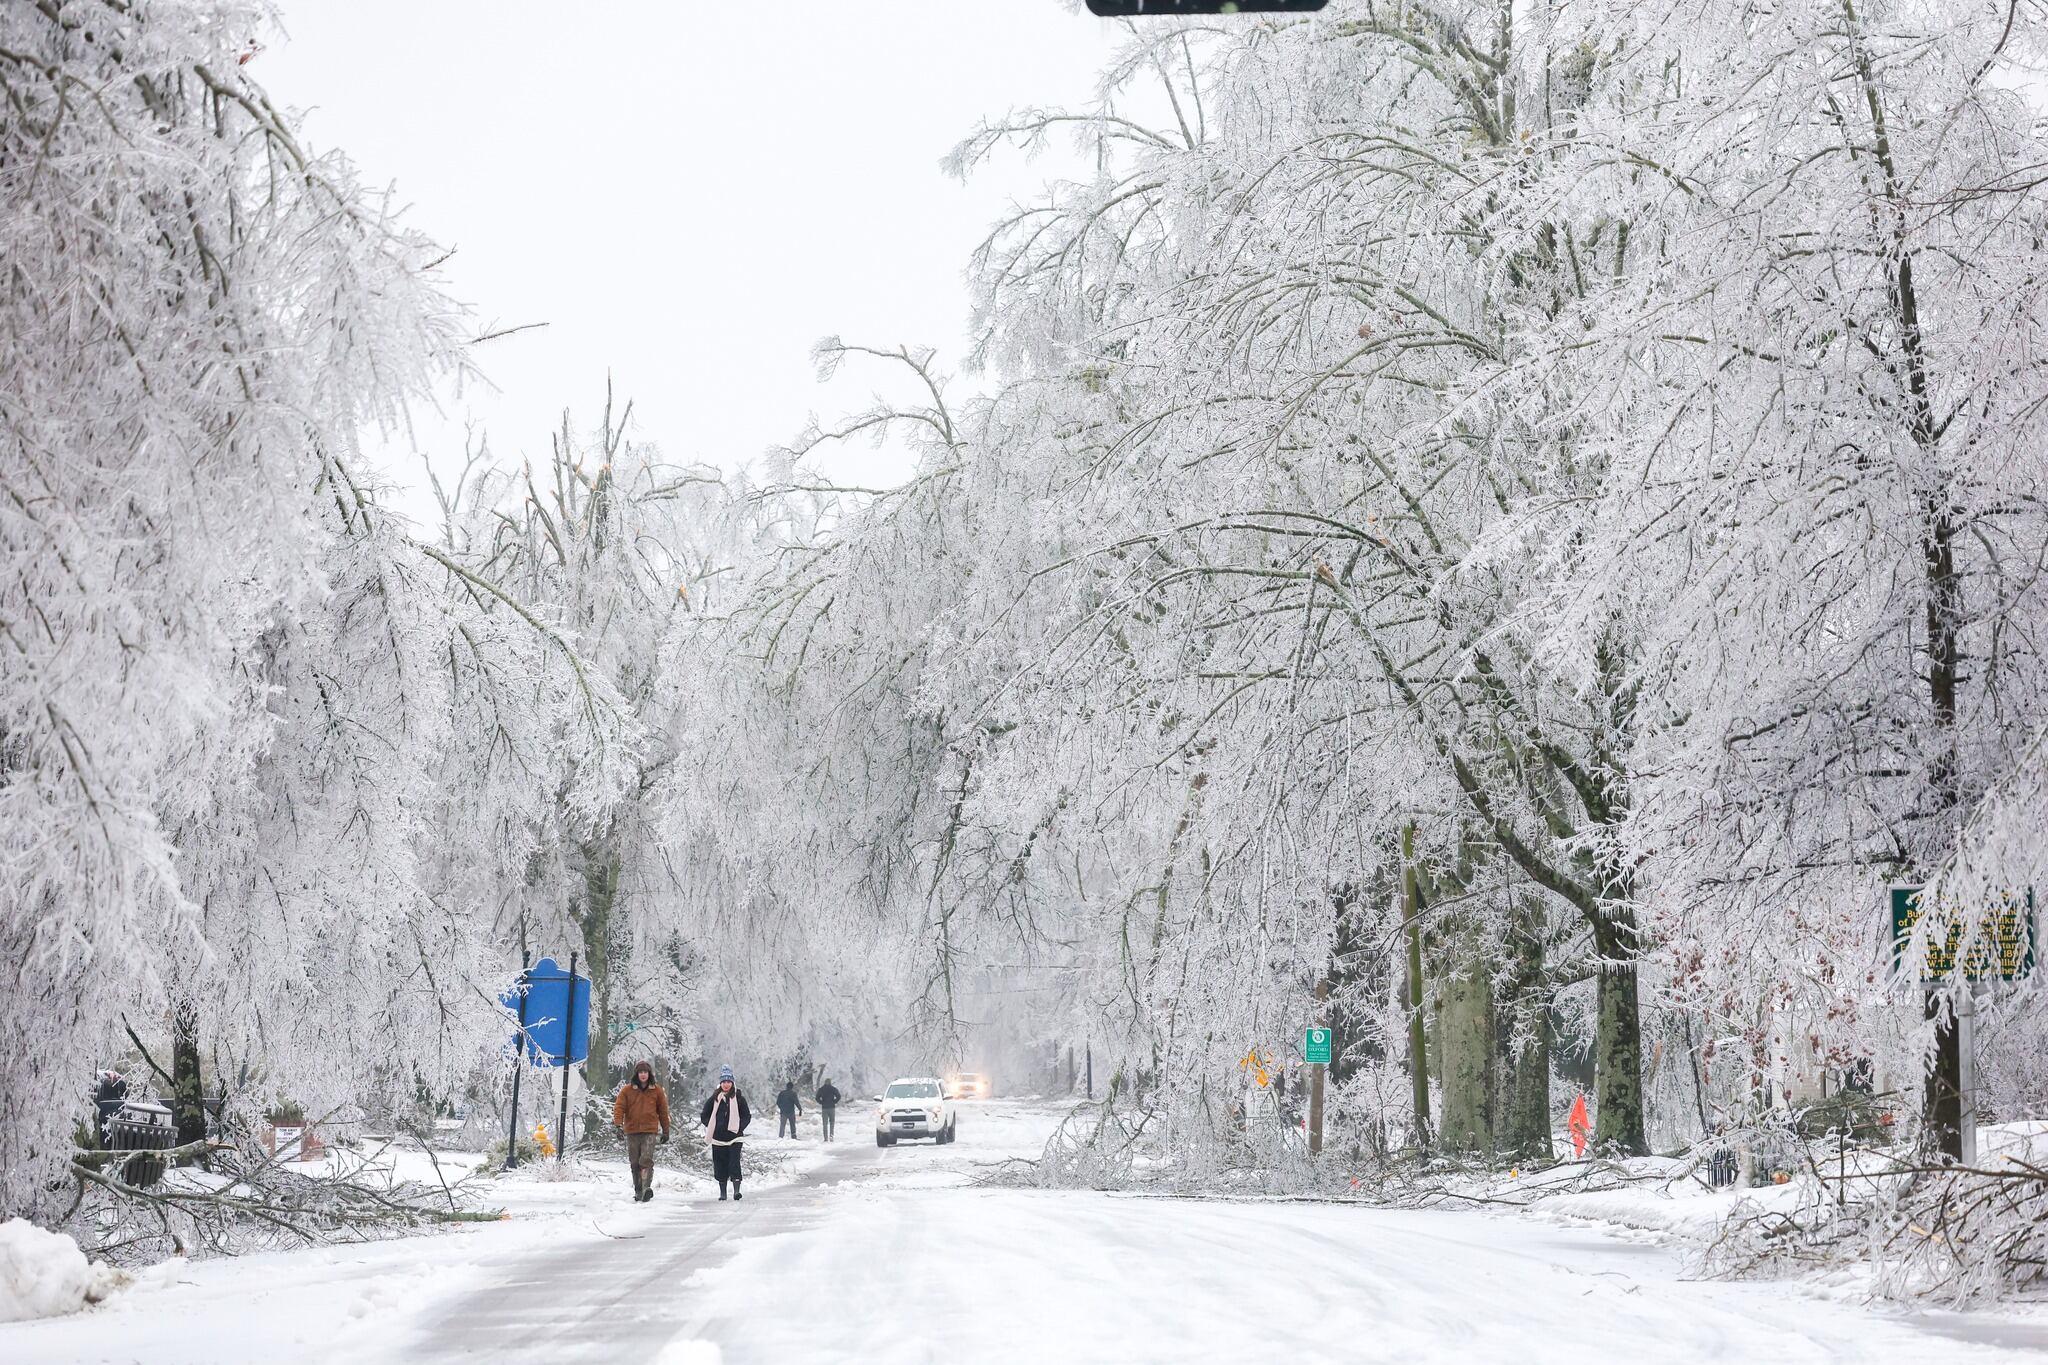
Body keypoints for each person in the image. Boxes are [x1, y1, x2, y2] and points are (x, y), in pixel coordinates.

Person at [611, 1060, 671, 1202]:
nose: (643, 1075)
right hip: (632, 1131)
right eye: (640, 1072)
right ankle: (638, 1189)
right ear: (636, 1074)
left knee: (646, 1159)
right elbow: (619, 1108)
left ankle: (646, 1188)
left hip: (649, 1130)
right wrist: (618, 1125)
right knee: (634, 1162)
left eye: (645, 1072)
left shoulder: (657, 1091)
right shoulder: (627, 1090)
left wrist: (666, 1130)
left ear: (649, 1074)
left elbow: (663, 1112)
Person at [701, 1066, 751, 1200]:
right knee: (720, 1165)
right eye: (724, 1082)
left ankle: (736, 1191)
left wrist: (740, 1127)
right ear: (720, 1083)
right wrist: (713, 1126)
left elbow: (746, 1116)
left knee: (734, 1163)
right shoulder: (715, 1098)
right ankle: (723, 1193)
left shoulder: (739, 1098)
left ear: (732, 1083)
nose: (726, 1084)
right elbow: (704, 1115)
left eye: (729, 1082)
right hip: (718, 1138)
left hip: (735, 1137)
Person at [815, 1076, 841, 1142]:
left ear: (825, 1082)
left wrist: (821, 1102)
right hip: (832, 1107)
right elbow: (839, 1096)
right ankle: (831, 1137)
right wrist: (834, 1101)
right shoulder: (833, 1089)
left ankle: (825, 1138)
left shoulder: (821, 1089)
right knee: (832, 1123)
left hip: (824, 1108)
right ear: (830, 1082)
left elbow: (817, 1098)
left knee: (825, 1124)